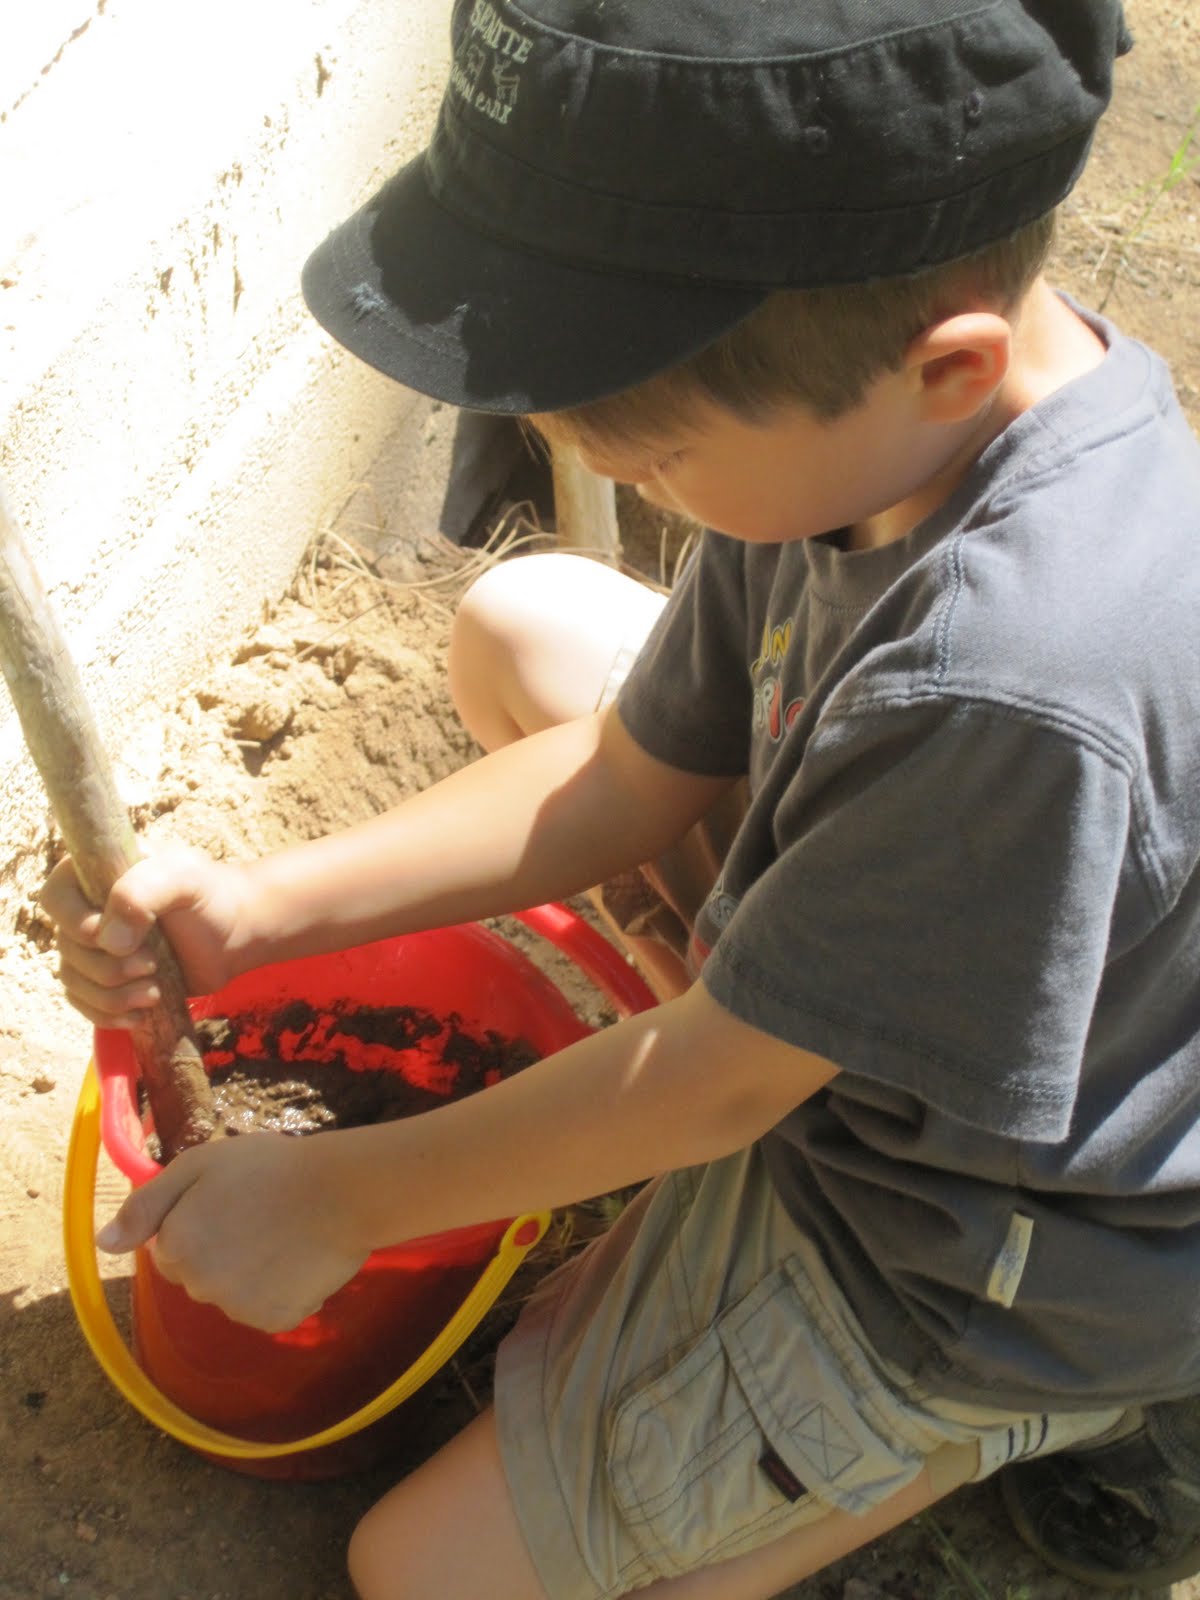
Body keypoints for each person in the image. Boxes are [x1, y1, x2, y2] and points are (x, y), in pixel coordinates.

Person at [38, 1, 1200, 1596]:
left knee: (421, 1571)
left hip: (974, 1248)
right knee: (525, 626)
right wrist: (261, 910)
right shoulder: (890, 436)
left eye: (653, 463)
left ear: (948, 368)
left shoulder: (1010, 683)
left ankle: (1001, 1422)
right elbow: (624, 771)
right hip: (865, 974)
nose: (627, 478)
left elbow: (723, 1086)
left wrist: (342, 1197)